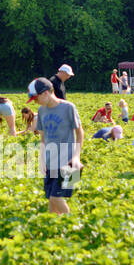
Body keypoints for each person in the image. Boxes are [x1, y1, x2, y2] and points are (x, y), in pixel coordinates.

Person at [28, 76, 83, 214]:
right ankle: (55, 229)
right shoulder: (41, 110)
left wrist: (77, 157)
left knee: (56, 197)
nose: (35, 102)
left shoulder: (68, 107)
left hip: (70, 161)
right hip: (50, 161)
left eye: (36, 98)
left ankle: (72, 224)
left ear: (46, 93)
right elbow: (43, 137)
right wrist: (42, 159)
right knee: (51, 201)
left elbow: (80, 132)